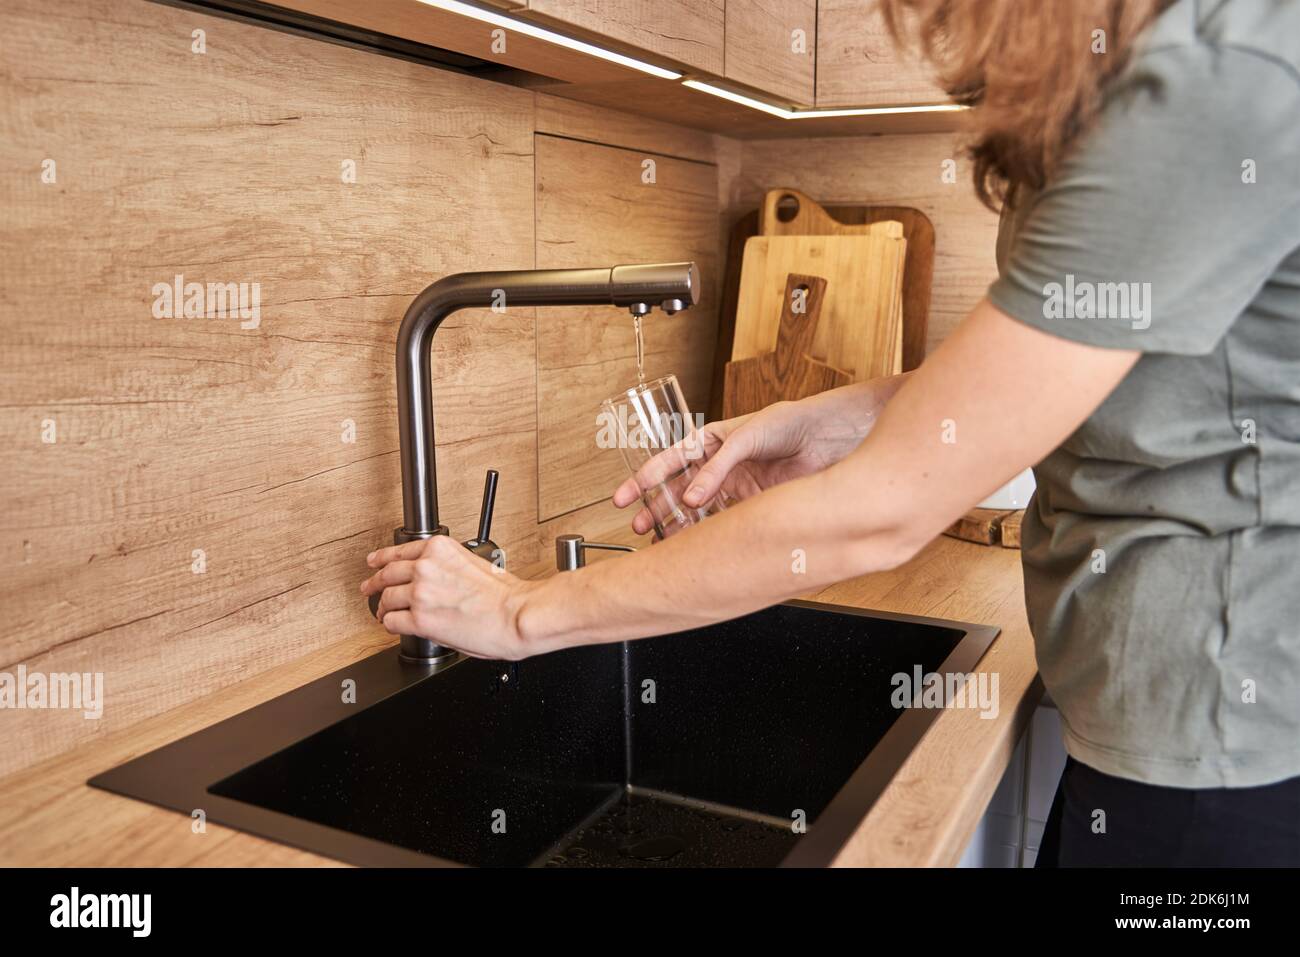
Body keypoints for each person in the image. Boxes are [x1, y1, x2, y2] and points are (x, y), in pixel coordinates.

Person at [362, 0, 1300, 866]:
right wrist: (813, 426)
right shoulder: (1162, 67)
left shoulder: (1209, 83)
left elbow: (879, 516)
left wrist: (520, 613)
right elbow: (1032, 386)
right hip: (1173, 732)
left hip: (1222, 755)